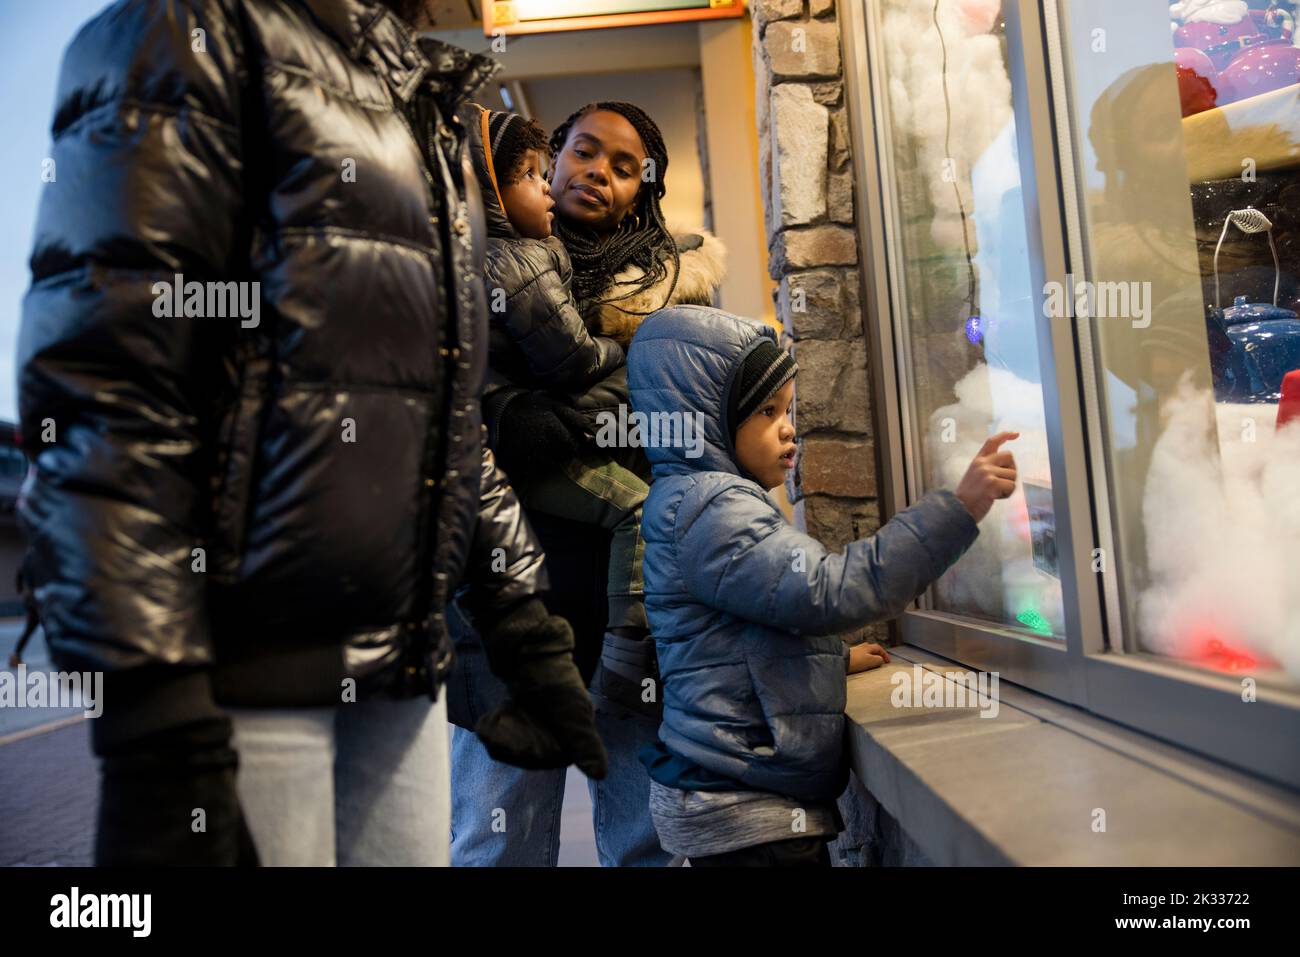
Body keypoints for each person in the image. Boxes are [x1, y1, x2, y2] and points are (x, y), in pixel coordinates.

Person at [16, 0, 603, 867]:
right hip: (241, 679)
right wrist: (152, 711)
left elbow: (443, 411)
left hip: (398, 668)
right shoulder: (188, 31)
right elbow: (107, 386)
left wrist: (520, 617)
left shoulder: (416, 99)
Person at [627, 305, 1018, 867]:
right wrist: (959, 509)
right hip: (747, 807)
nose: (789, 427)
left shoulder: (695, 500)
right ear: (707, 418)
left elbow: (746, 629)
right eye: (766, 411)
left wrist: (832, 659)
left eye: (788, 409)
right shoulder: (713, 508)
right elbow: (826, 591)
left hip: (736, 792)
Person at [448, 102, 726, 866]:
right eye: (581, 151)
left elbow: (698, 444)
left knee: (645, 843)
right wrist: (512, 417)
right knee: (496, 843)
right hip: (507, 610)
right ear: (553, 158)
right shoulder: (474, 268)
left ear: (645, 189)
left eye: (624, 165)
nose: (596, 170)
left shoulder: (679, 299)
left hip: (636, 625)